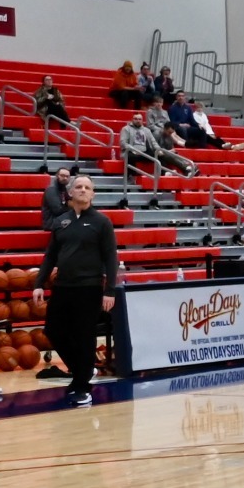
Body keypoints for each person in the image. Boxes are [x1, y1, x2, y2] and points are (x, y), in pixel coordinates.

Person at [32, 175, 119, 407]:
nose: (82, 190)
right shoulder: (61, 222)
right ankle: (83, 370)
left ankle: (82, 386)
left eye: (87, 187)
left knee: (83, 336)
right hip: (62, 287)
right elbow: (50, 255)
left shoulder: (102, 222)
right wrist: (39, 283)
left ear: (93, 194)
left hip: (89, 288)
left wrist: (110, 290)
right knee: (53, 330)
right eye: (78, 187)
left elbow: (111, 257)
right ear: (70, 193)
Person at [118, 117, 165, 192]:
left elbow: (153, 142)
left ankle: (162, 177)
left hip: (145, 152)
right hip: (132, 152)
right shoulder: (126, 129)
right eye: (136, 119)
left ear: (142, 121)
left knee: (160, 155)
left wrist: (158, 150)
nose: (138, 121)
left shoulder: (146, 130)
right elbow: (123, 143)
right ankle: (131, 177)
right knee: (129, 156)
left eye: (140, 119)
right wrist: (133, 149)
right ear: (132, 120)